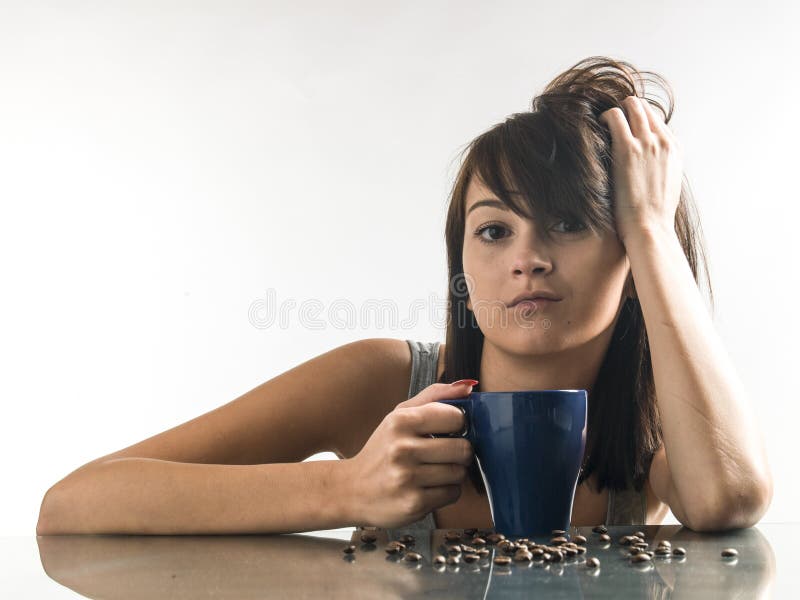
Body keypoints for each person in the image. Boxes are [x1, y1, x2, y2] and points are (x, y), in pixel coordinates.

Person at [36, 56, 772, 536]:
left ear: (632, 257)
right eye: (494, 231)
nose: (528, 260)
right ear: (461, 267)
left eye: (571, 223)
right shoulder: (384, 382)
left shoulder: (661, 426)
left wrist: (653, 228)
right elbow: (73, 505)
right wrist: (346, 489)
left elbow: (731, 498)